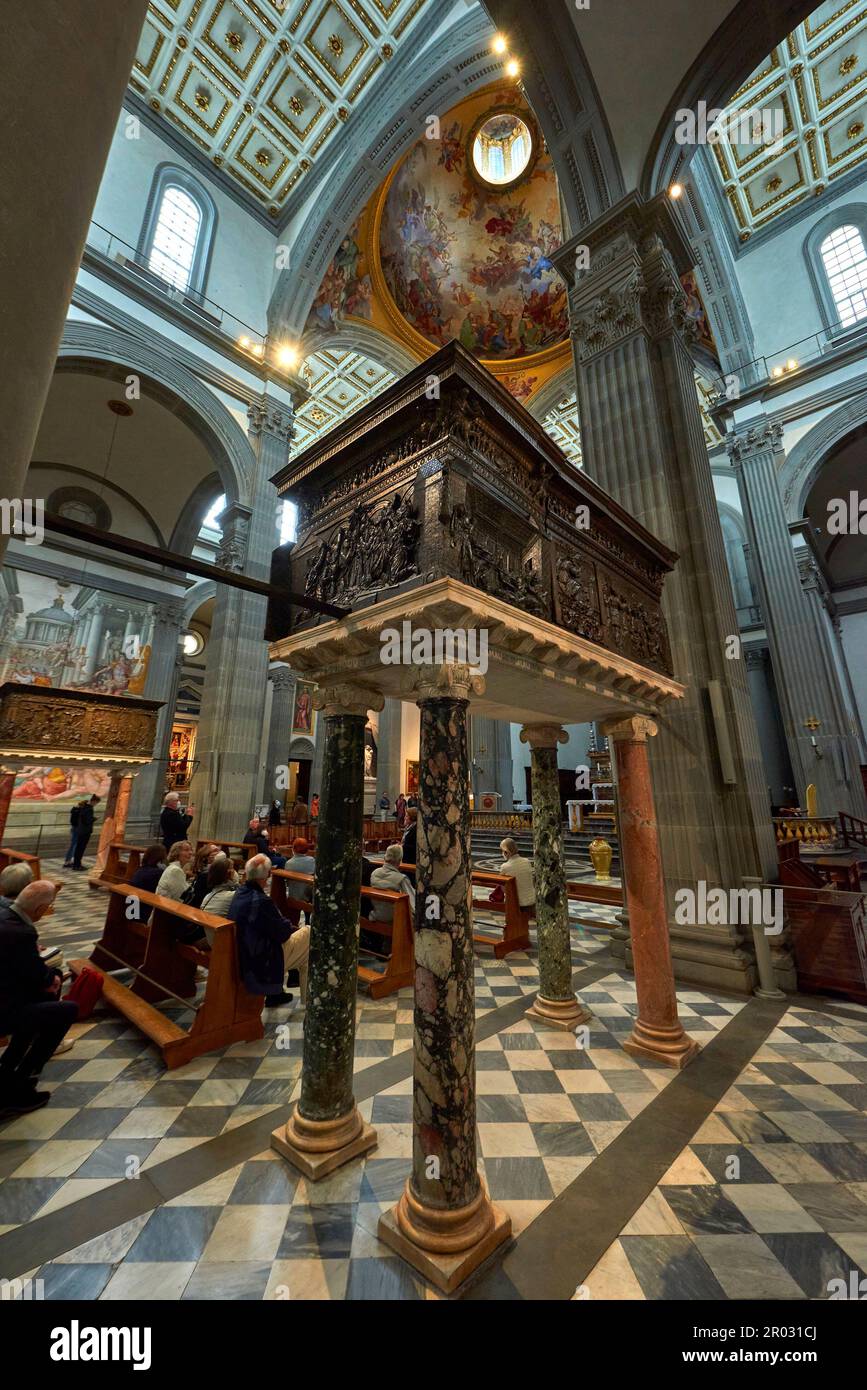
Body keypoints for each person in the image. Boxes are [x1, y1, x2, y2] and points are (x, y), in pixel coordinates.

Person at [0, 881, 78, 1113]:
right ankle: (22, 1081)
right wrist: (51, 977)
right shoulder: (22, 932)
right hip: (3, 1008)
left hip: (6, 993)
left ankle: (8, 1071)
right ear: (40, 910)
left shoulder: (4, 914)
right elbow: (38, 977)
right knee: (66, 1010)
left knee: (37, 1002)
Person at [228, 854, 310, 1009]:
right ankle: (309, 1001)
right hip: (261, 959)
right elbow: (282, 933)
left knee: (305, 949)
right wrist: (286, 924)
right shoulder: (261, 901)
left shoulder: (240, 893)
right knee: (309, 934)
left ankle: (280, 991)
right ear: (266, 876)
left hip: (245, 950)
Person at [369, 843, 416, 923]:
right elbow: (413, 904)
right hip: (395, 919)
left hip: (377, 915)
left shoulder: (374, 873)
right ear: (400, 859)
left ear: (385, 857)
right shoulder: (401, 879)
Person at [498, 838, 536, 909]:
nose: (502, 853)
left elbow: (503, 889)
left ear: (506, 852)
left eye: (502, 851)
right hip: (532, 899)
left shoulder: (505, 866)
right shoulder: (527, 861)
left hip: (517, 902)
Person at [66, 794, 100, 870]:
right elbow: (87, 821)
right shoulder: (89, 808)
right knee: (80, 848)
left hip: (80, 830)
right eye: (96, 803)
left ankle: (76, 864)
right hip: (85, 831)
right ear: (94, 801)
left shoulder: (83, 807)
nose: (96, 804)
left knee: (78, 848)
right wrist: (94, 819)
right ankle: (77, 865)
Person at [284, 837, 316, 903]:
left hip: (293, 896)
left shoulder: (288, 863)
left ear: (293, 849)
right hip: (309, 896)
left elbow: (287, 882)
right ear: (307, 850)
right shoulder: (312, 860)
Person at [189, 843, 220, 908]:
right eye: (215, 851)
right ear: (207, 857)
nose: (219, 852)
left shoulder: (206, 872)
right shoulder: (205, 875)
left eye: (219, 850)